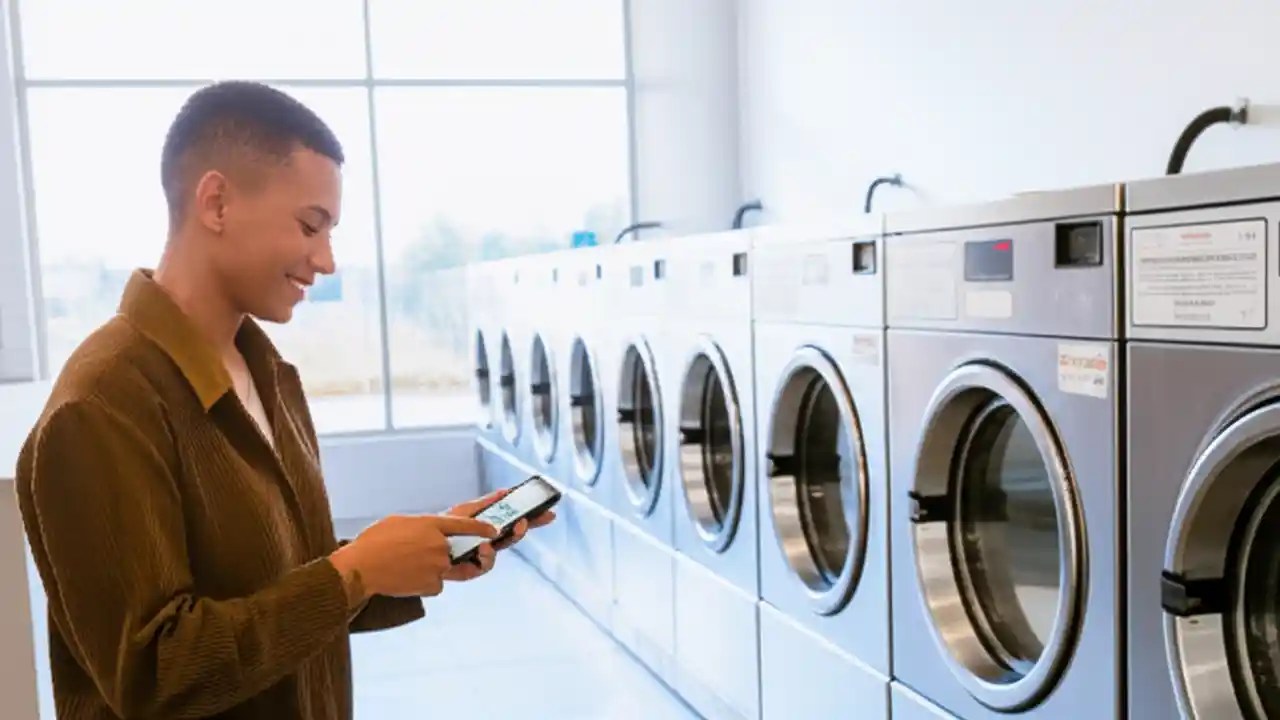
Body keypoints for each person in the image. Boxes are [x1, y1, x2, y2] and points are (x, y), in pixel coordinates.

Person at [14, 80, 553, 719]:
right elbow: (155, 674)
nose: (325, 260)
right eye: (310, 226)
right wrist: (354, 571)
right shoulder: (101, 405)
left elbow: (283, 589)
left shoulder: (271, 376)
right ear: (215, 202)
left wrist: (412, 553)